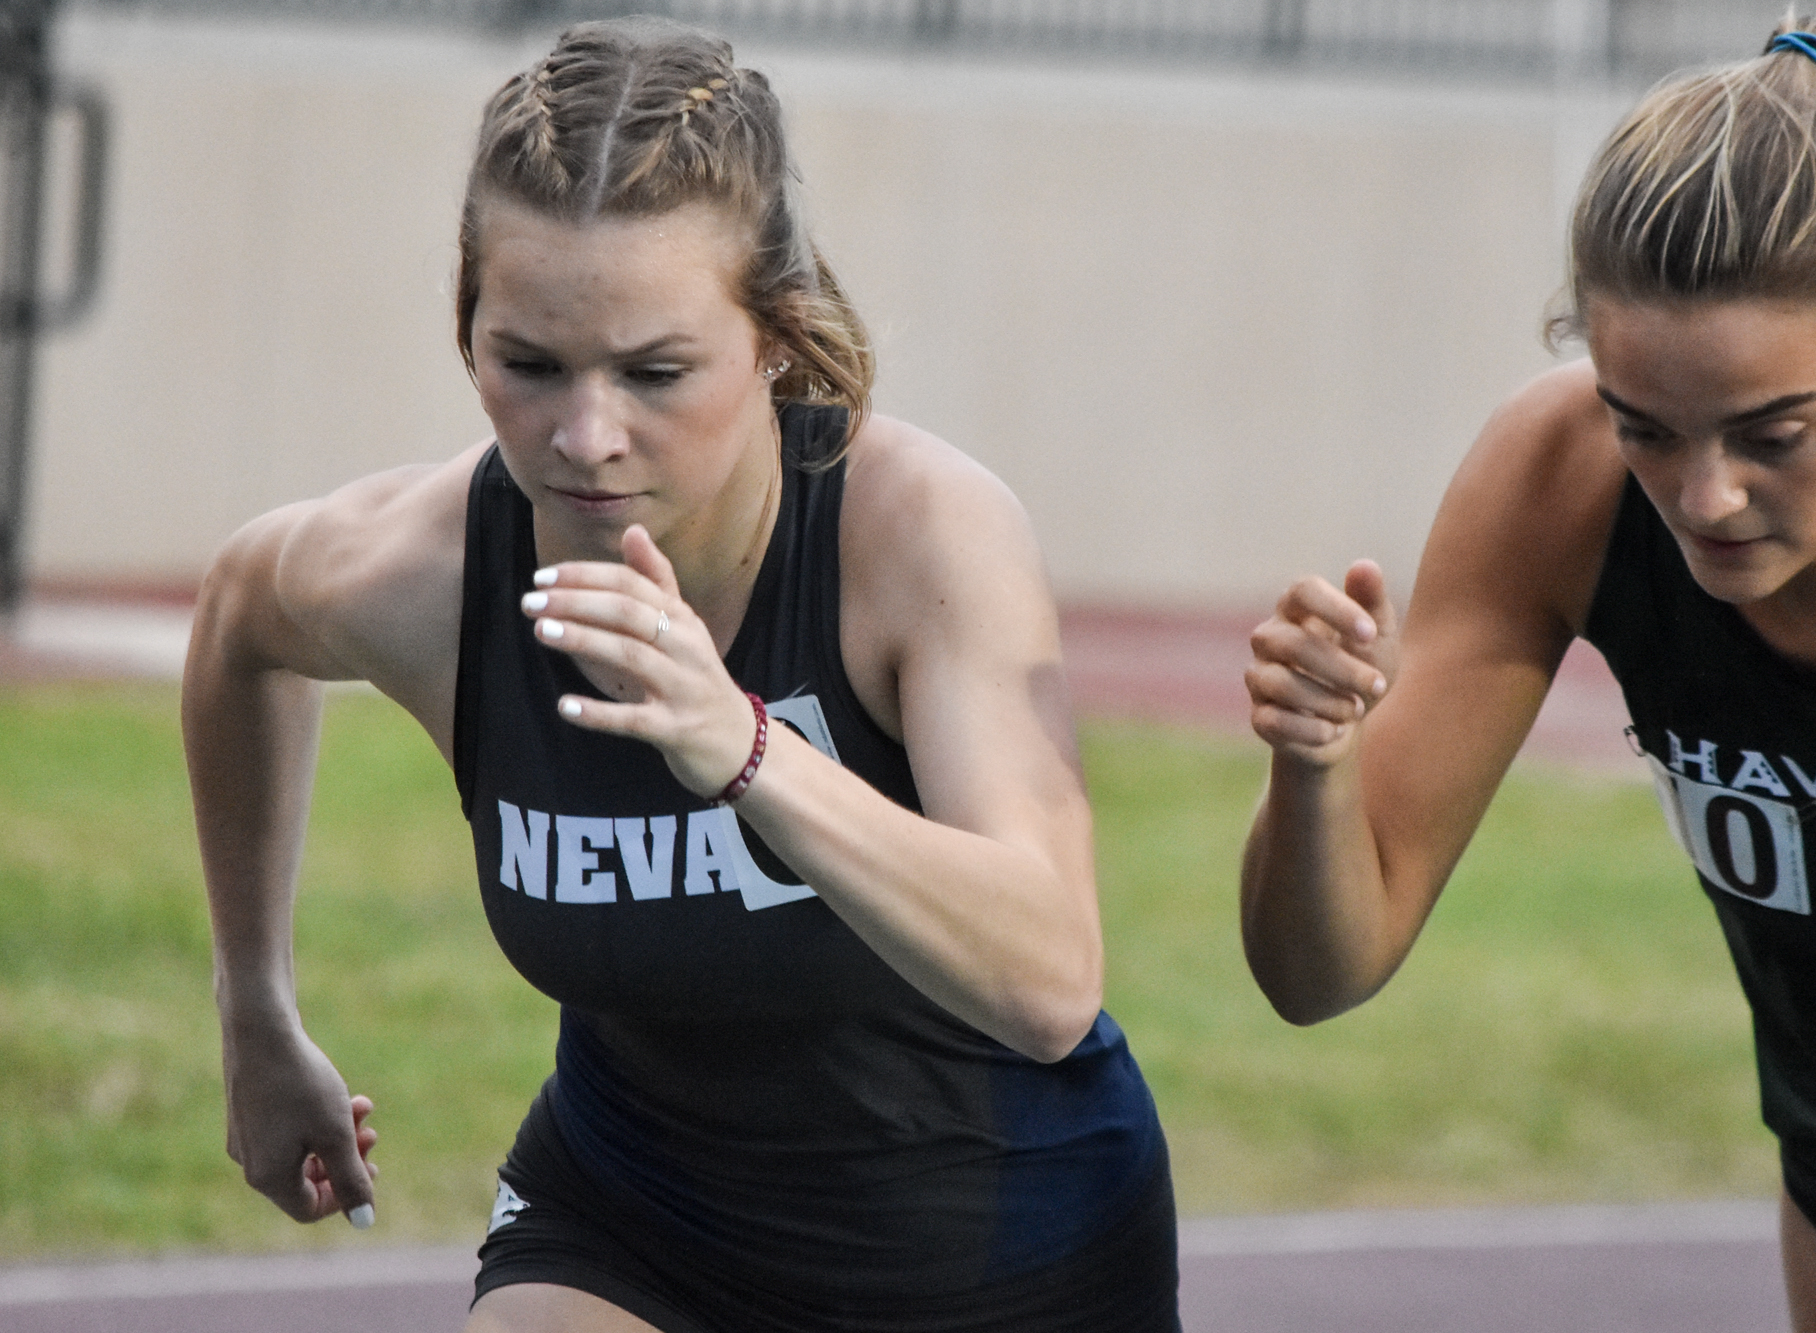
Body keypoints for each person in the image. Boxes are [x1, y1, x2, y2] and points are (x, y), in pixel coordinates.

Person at [182, 17, 1177, 1333]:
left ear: (776, 336)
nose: (585, 436)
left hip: (999, 1253)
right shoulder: (432, 573)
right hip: (638, 1216)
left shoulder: (917, 536)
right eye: (529, 364)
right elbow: (239, 623)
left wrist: (749, 751)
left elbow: (1049, 979)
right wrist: (256, 1010)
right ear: (468, 324)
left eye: (656, 372)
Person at [1240, 18, 1816, 1333]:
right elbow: (1318, 972)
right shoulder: (1560, 477)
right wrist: (1314, 766)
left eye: (1773, 435)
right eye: (1649, 428)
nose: (1706, 495)